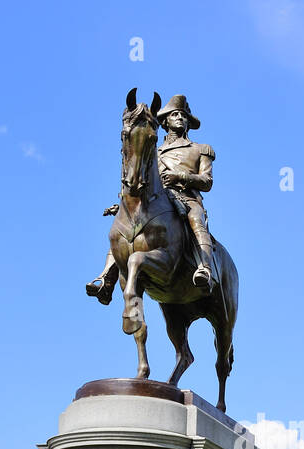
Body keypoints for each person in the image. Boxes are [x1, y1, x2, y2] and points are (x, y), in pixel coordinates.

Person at [87, 93, 218, 299]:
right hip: (156, 199)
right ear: (165, 121)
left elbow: (207, 181)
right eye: (175, 114)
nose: (180, 118)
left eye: (184, 116)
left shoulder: (200, 149)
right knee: (123, 226)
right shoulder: (153, 148)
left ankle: (205, 268)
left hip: (187, 198)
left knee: (196, 220)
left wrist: (180, 175)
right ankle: (107, 278)